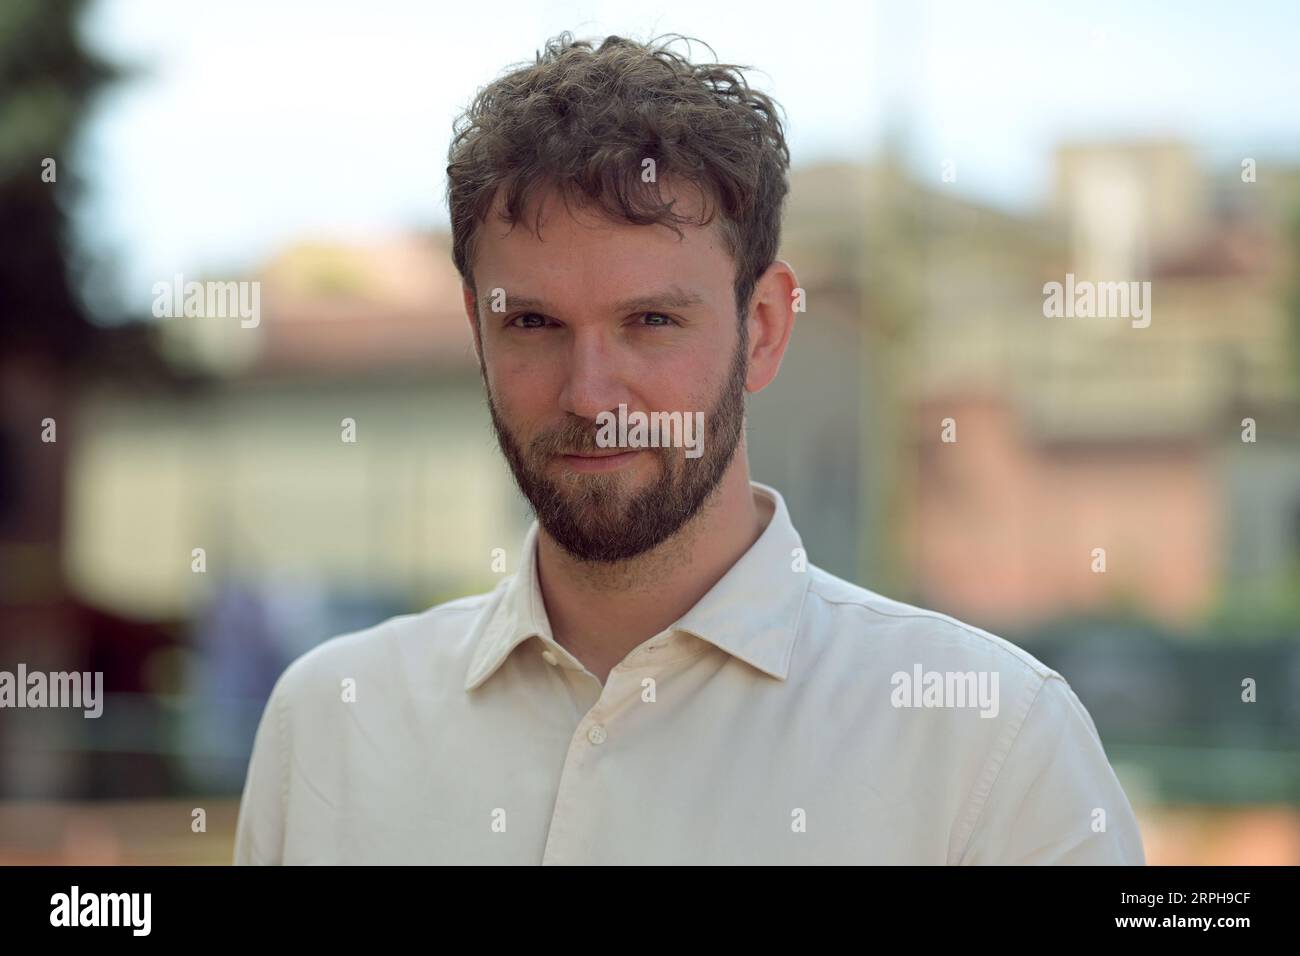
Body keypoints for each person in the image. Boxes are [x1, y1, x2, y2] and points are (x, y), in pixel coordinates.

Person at [234, 32, 1144, 865]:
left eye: (653, 321)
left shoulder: (990, 744)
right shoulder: (328, 728)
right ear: (477, 331)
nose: (591, 395)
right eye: (537, 323)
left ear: (765, 327)